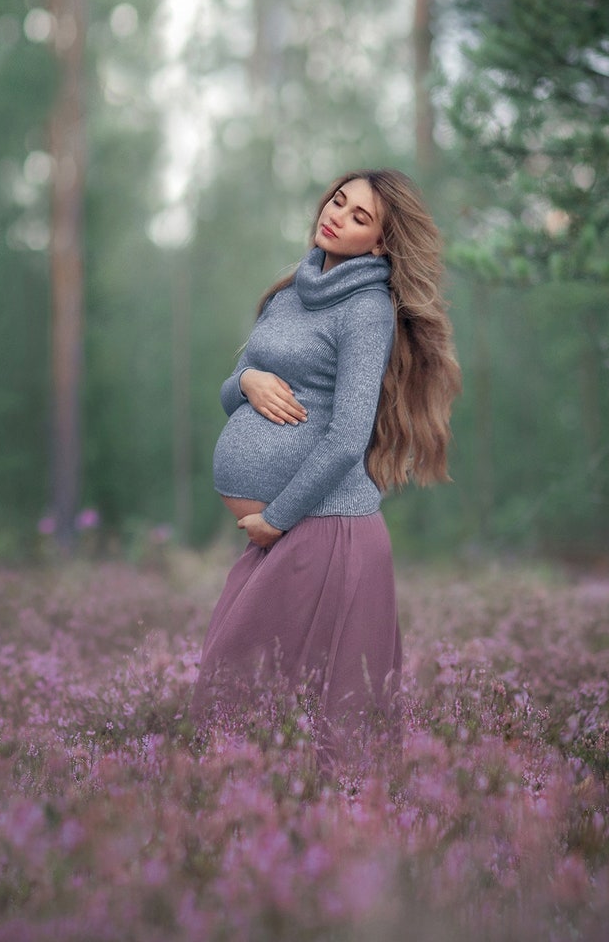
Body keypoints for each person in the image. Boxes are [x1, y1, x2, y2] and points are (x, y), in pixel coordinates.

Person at [190, 168, 461, 768]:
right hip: (286, 531)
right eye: (339, 202)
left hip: (324, 528)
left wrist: (276, 520)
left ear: (382, 243)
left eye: (360, 217)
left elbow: (346, 439)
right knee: (240, 699)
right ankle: (248, 818)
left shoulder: (367, 311)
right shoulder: (289, 293)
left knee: (313, 720)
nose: (337, 215)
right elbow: (233, 396)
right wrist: (247, 380)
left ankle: (322, 824)